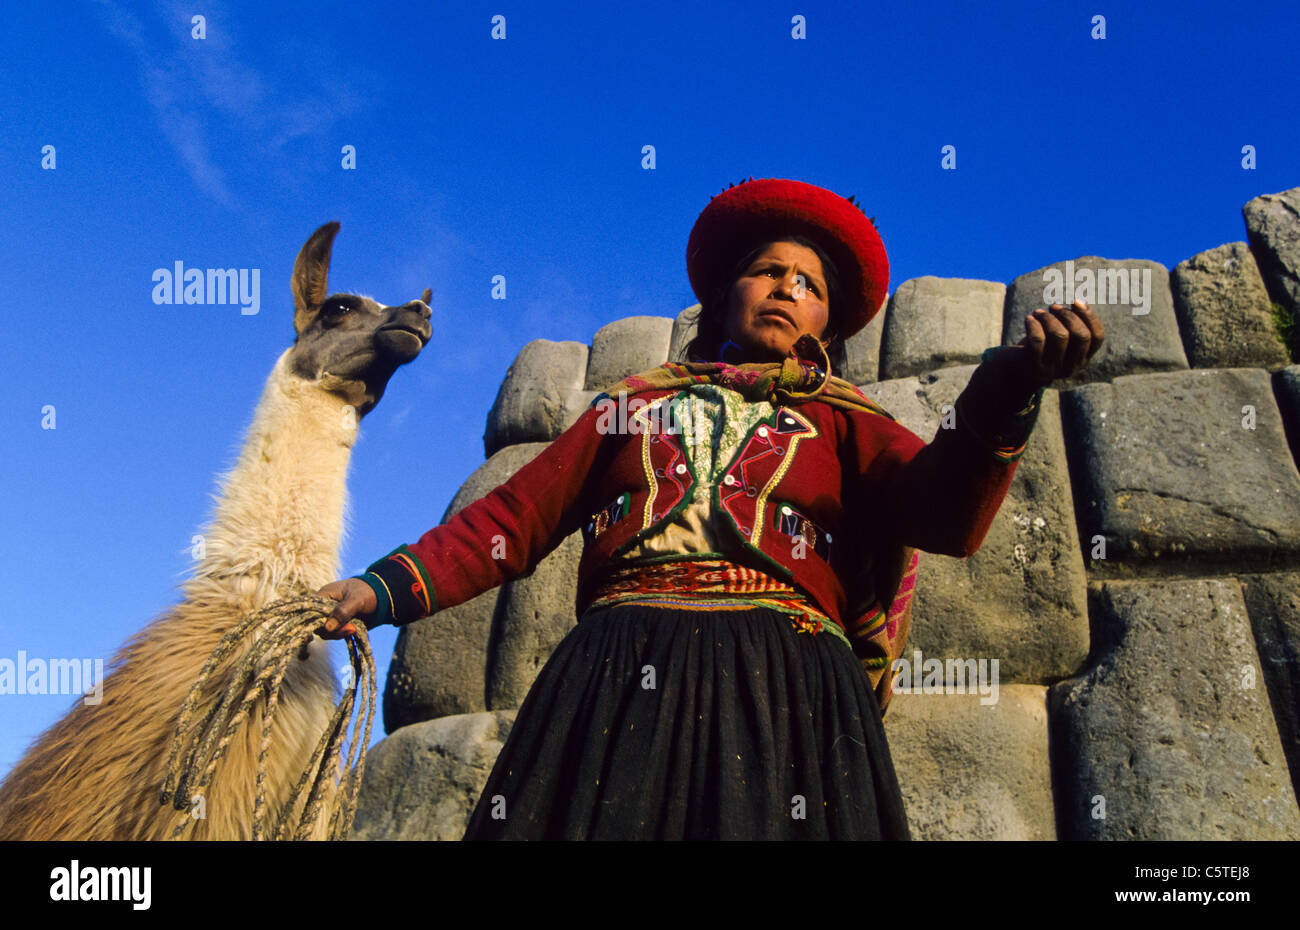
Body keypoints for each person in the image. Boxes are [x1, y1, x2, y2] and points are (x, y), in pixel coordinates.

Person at [317, 177, 1104, 840]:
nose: (788, 287)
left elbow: (944, 516)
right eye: (768, 271)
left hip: (789, 690)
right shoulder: (630, 406)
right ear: (727, 295)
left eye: (811, 284)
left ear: (826, 321)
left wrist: (1008, 388)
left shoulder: (847, 419)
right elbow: (512, 519)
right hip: (618, 676)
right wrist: (382, 589)